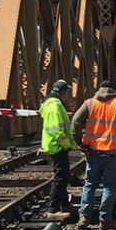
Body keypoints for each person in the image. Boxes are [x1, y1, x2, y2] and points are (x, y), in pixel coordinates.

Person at [72, 80, 116, 230]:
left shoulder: (90, 103)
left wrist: (80, 143)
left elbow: (75, 123)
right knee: (110, 187)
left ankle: (84, 217)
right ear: (113, 90)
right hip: (114, 153)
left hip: (93, 151)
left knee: (90, 184)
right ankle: (105, 219)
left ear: (100, 89)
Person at [38, 80, 76, 221]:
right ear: (63, 93)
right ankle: (52, 209)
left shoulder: (55, 104)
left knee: (63, 175)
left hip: (56, 145)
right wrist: (67, 144)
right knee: (61, 177)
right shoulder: (55, 107)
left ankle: (64, 204)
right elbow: (57, 131)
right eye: (67, 93)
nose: (68, 96)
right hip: (57, 146)